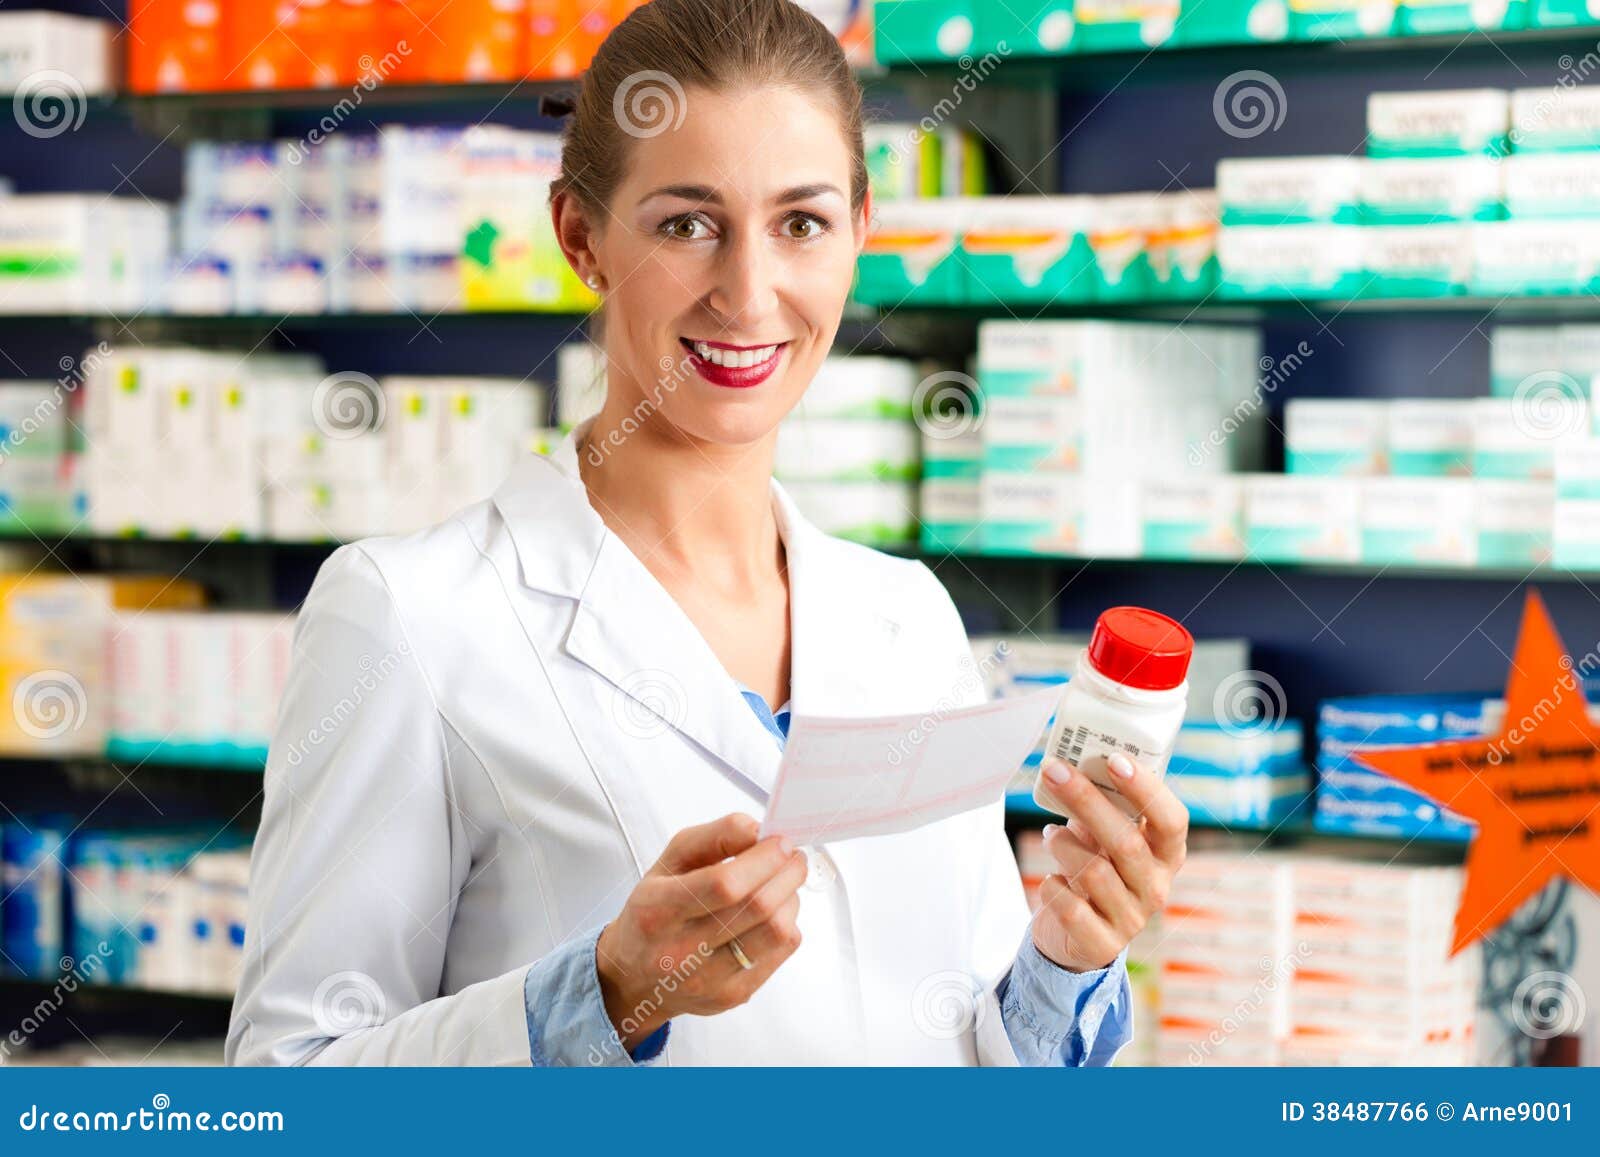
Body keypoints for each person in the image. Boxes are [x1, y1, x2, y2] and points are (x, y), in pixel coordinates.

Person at [225, 0, 1189, 1067]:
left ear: (860, 232)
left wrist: (1061, 960)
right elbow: (286, 1080)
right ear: (581, 237)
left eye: (801, 223)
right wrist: (603, 993)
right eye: (686, 223)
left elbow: (958, 1045)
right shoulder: (412, 614)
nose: (748, 290)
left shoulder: (904, 614)